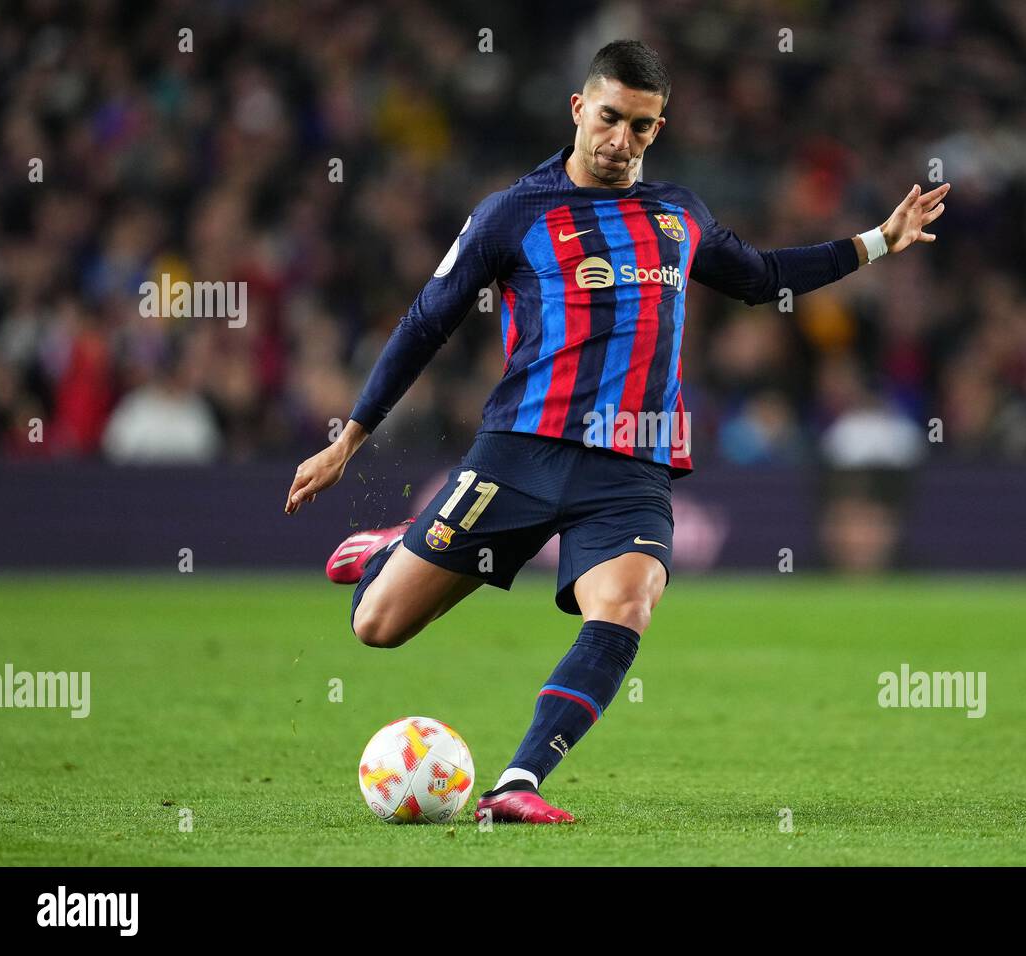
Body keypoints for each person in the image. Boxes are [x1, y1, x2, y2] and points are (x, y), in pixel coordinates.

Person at [284, 39, 948, 823]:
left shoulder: (678, 215)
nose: (620, 141)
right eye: (609, 119)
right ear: (578, 109)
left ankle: (517, 784)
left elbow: (764, 279)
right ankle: (401, 546)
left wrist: (878, 240)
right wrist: (349, 439)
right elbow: (427, 321)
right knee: (377, 626)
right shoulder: (512, 215)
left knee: (628, 605)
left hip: (631, 464)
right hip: (521, 453)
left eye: (641, 126)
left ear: (657, 128)